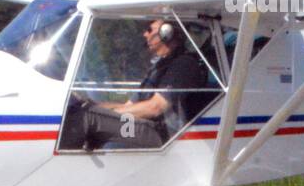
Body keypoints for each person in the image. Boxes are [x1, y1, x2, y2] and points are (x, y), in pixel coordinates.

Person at [71, 19, 214, 150]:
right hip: (145, 127)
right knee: (83, 113)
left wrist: (104, 116)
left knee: (89, 119)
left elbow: (155, 108)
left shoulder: (184, 65)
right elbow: (128, 106)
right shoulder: (159, 66)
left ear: (167, 33)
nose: (145, 34)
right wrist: (91, 105)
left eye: (149, 29)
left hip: (163, 133)